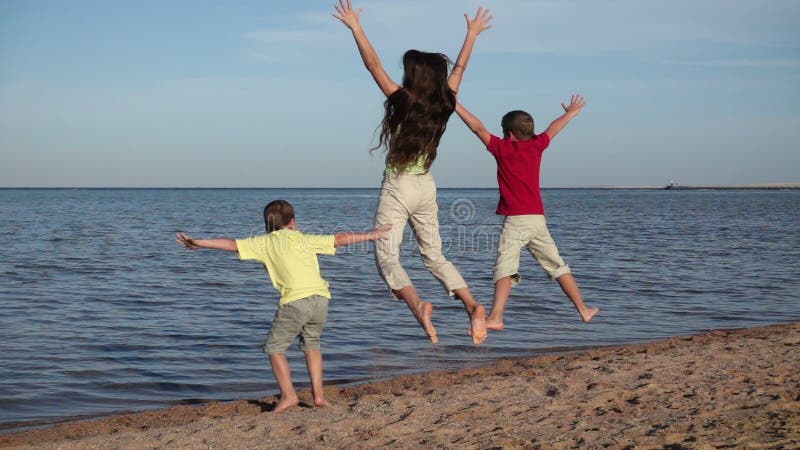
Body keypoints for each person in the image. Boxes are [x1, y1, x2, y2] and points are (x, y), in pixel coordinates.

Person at [333, 0, 493, 345]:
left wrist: (357, 29)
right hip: (427, 187)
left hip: (399, 184)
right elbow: (460, 69)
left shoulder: (403, 99)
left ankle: (419, 305)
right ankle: (473, 305)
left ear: (413, 76)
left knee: (387, 256)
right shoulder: (446, 103)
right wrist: (472, 34)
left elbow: (373, 66)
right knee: (434, 256)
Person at [176, 200, 389, 413]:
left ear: (268, 225)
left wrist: (200, 242)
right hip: (321, 299)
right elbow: (340, 239)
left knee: (274, 348)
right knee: (312, 344)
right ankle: (319, 398)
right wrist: (372, 234)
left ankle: (289, 396)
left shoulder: (265, 243)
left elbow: (231, 244)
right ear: (293, 221)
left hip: (296, 302)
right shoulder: (305, 239)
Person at [454, 95, 600, 331]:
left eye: (503, 132)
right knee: (557, 266)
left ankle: (496, 317)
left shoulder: (503, 148)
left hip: (517, 220)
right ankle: (584, 309)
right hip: (537, 219)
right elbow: (554, 129)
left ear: (509, 134)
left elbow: (477, 127)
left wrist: (455, 105)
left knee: (504, 268)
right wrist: (570, 113)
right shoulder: (537, 145)